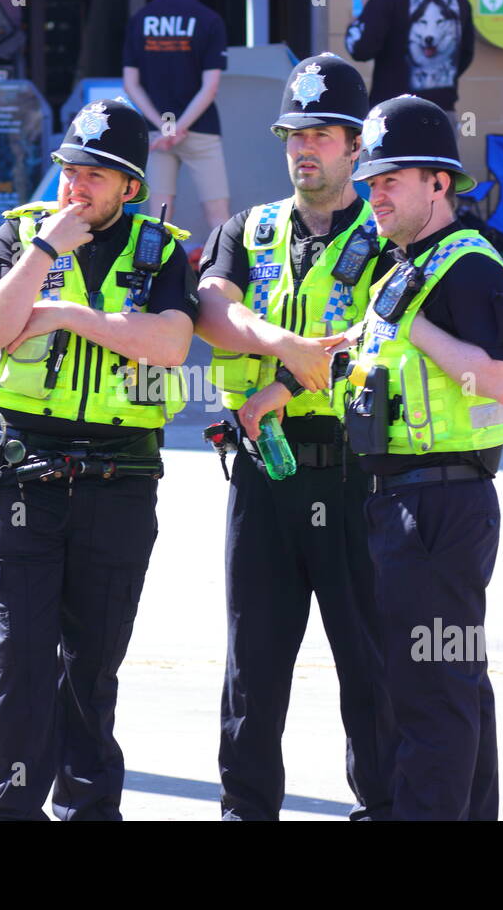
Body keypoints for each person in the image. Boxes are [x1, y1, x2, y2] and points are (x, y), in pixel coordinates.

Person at [0, 98, 197, 820]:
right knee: (22, 660)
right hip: (25, 473)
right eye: (72, 168)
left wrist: (69, 315)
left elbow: (171, 344)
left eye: (99, 175)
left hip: (120, 476)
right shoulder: (21, 236)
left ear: (131, 186)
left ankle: (91, 809)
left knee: (92, 667)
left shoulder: (159, 250)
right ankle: (13, 808)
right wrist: (46, 254)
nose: (79, 185)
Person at [196, 52, 397, 821]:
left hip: (354, 477)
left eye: (322, 134)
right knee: (254, 666)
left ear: (355, 145)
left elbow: (372, 337)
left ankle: (384, 807)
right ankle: (246, 812)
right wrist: (283, 346)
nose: (304, 148)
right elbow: (213, 310)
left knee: (370, 664)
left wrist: (286, 379)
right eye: (293, 134)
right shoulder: (249, 228)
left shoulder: (385, 234)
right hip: (263, 475)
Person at [341, 94, 503, 819]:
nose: (374, 193)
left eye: (392, 179)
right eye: (371, 181)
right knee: (450, 685)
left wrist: (417, 331)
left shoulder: (468, 266)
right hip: (406, 500)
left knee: (430, 694)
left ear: (438, 183)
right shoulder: (401, 269)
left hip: (441, 504)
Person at [122, 0, 231, 231]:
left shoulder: (141, 18)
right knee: (218, 215)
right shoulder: (209, 20)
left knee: (158, 218)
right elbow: (211, 87)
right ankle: (224, 273)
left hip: (157, 133)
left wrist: (166, 127)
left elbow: (131, 83)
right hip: (200, 130)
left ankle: (152, 274)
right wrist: (178, 128)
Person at [344, 0, 474, 122]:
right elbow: (466, 53)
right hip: (441, 117)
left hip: (393, 118)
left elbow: (361, 48)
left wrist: (353, 26)